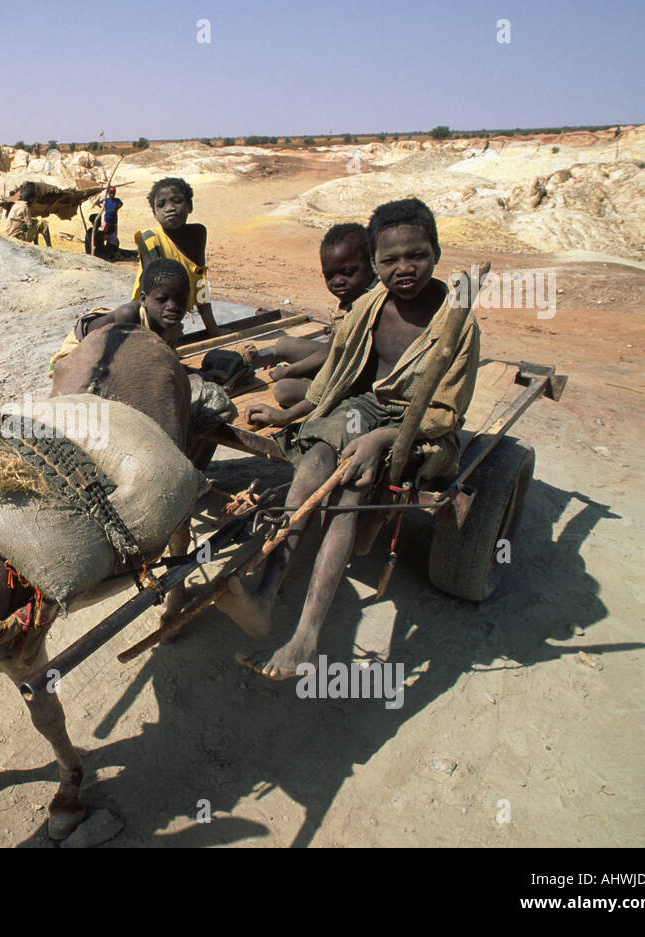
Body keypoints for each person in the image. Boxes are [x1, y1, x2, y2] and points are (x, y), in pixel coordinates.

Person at [215, 198, 479, 680]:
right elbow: (332, 379)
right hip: (365, 411)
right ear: (376, 263)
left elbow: (445, 412)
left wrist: (383, 438)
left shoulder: (455, 323)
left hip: (418, 429)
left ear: (437, 252)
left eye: (416, 255)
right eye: (389, 259)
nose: (404, 269)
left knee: (349, 488)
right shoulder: (369, 306)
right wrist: (289, 412)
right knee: (314, 462)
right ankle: (264, 595)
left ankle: (307, 636)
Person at [246, 223, 378, 427]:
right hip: (338, 357)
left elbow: (335, 356)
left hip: (354, 378)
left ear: (372, 263)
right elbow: (332, 347)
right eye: (329, 276)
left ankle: (314, 387)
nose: (338, 282)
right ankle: (309, 378)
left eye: (348, 272)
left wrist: (289, 372)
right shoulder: (356, 291)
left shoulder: (370, 304)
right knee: (284, 345)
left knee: (283, 390)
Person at [48, 258, 189, 375]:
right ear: (144, 300)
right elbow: (125, 368)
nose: (172, 307)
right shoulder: (128, 317)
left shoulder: (171, 324)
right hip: (83, 353)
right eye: (162, 299)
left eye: (180, 299)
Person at [131, 177, 220, 334]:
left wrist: (212, 328)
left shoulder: (198, 233)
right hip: (150, 317)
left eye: (177, 201)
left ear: (190, 206)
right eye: (161, 204)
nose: (169, 208)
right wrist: (171, 330)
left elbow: (201, 282)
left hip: (174, 310)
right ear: (154, 213)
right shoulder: (150, 239)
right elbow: (157, 292)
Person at [98, 185, 123, 254]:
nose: (112, 194)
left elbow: (121, 204)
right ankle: (103, 248)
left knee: (113, 236)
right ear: (108, 193)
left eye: (113, 193)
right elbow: (98, 203)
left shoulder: (117, 200)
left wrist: (116, 209)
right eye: (111, 193)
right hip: (107, 221)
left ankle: (111, 249)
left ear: (115, 193)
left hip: (114, 221)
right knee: (104, 235)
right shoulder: (106, 200)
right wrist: (103, 208)